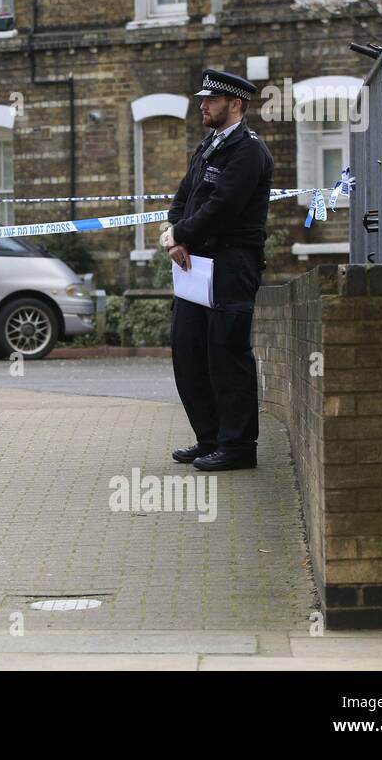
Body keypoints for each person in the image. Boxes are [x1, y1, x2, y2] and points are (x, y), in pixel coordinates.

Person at [159, 69, 275, 471]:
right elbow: (183, 198)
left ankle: (239, 447)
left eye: (210, 100)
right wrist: (178, 234)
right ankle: (209, 439)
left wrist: (181, 235)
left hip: (231, 264)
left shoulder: (248, 151)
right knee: (188, 353)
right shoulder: (208, 145)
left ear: (236, 104)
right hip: (195, 266)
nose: (202, 105)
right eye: (201, 99)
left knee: (227, 355)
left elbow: (223, 207)